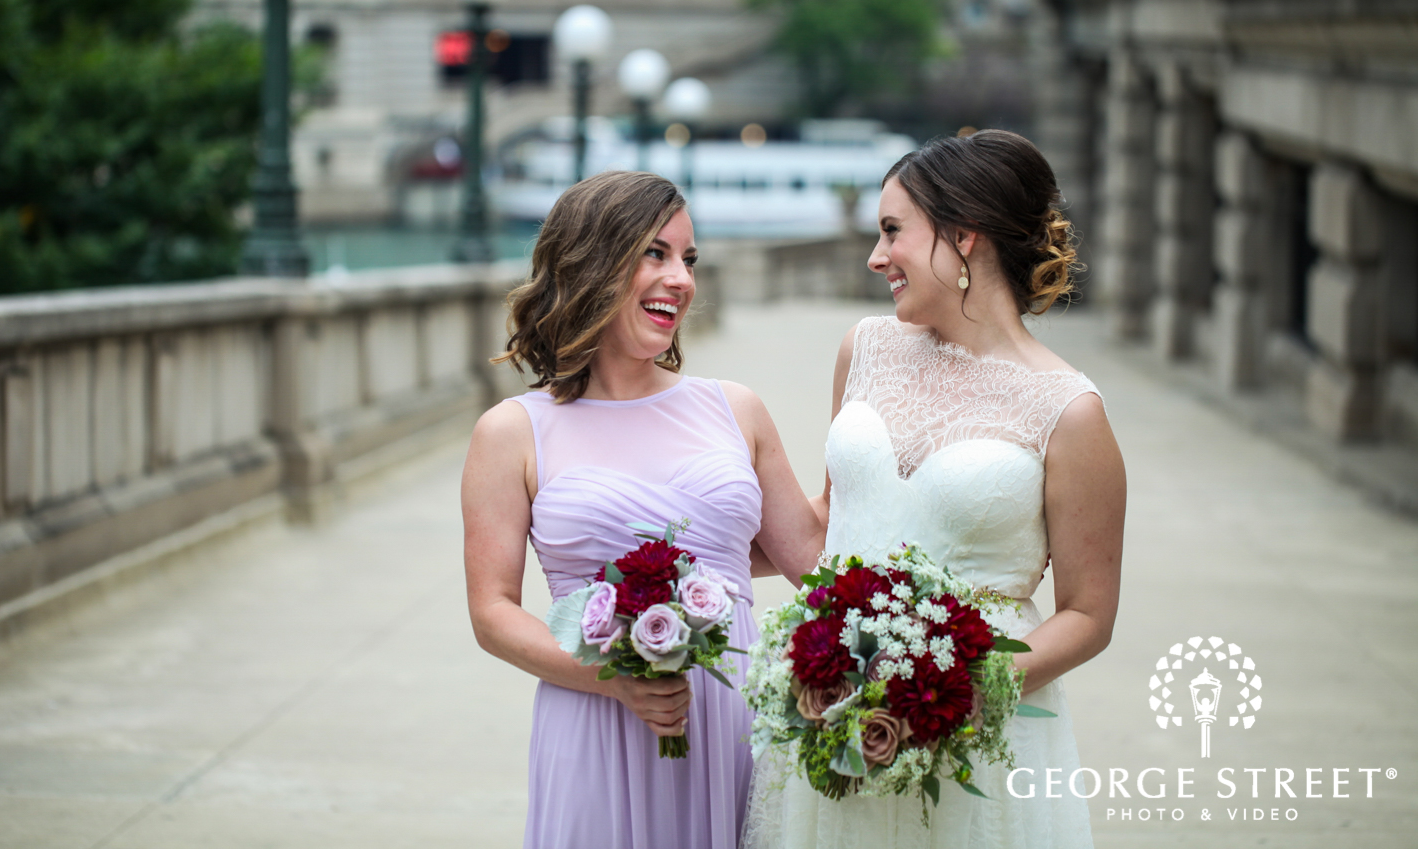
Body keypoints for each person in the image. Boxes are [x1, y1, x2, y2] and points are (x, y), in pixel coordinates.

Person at [743, 130, 1127, 849]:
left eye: (893, 232)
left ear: (963, 237)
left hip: (971, 736)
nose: (876, 256)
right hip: (833, 710)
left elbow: (1088, 614)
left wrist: (956, 697)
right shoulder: (865, 349)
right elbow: (830, 528)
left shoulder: (1070, 412)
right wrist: (696, 554)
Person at [462, 171, 825, 849]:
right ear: (593, 262)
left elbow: (814, 561)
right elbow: (492, 612)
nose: (681, 279)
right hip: (594, 725)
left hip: (733, 722)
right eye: (655, 254)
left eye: (689, 259)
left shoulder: (734, 410)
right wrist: (613, 681)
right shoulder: (513, 432)